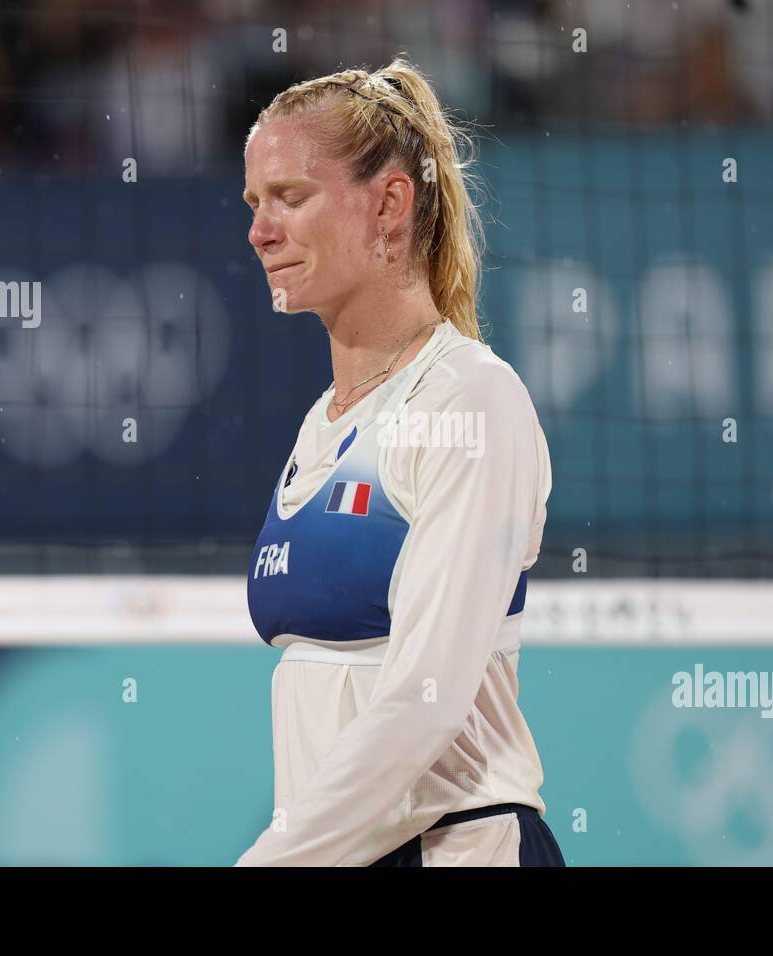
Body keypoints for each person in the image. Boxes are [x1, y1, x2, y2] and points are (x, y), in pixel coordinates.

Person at [235, 58, 564, 867]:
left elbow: (426, 700)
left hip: (461, 848)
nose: (260, 230)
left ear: (388, 203)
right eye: (254, 203)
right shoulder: (322, 425)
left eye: (291, 197)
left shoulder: (469, 400)